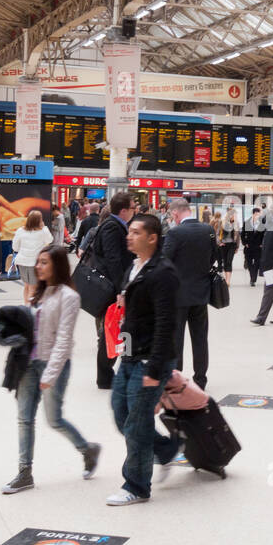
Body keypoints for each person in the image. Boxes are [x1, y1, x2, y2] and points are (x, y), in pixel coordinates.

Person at [3, 244, 99, 494]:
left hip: (52, 365)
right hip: (28, 364)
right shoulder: (39, 292)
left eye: (43, 262)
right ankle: (25, 472)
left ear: (57, 265)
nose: (37, 266)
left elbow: (64, 340)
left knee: (54, 419)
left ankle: (86, 449)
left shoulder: (69, 297)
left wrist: (50, 373)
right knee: (24, 419)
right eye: (38, 262)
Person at [106, 213, 180, 506]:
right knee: (121, 413)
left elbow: (166, 324)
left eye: (136, 232)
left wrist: (155, 368)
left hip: (151, 359)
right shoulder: (133, 268)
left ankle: (136, 485)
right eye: (130, 231)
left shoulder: (164, 273)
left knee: (136, 423)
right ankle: (165, 449)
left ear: (152, 238)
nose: (129, 235)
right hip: (129, 355)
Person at [163, 197, 215, 390]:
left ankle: (176, 377)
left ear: (175, 213)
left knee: (176, 338)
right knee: (200, 337)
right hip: (201, 293)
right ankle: (200, 379)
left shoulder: (175, 233)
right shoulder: (207, 230)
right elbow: (213, 258)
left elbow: (165, 260)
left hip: (178, 296)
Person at [87, 192, 136, 389]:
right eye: (133, 207)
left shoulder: (116, 226)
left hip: (116, 287)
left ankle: (116, 372)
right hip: (113, 289)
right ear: (123, 210)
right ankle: (105, 376)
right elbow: (113, 260)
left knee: (117, 330)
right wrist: (121, 289)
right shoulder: (111, 227)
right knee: (111, 331)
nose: (135, 210)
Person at [11, 209, 53, 304]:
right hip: (35, 263)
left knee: (26, 286)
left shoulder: (20, 230)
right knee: (33, 287)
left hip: (22, 262)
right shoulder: (43, 231)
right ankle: (30, 310)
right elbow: (50, 240)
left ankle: (27, 306)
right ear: (39, 220)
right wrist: (45, 227)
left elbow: (15, 247)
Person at [241, 206, 264, 287]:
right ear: (254, 214)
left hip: (258, 247)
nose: (259, 216)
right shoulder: (247, 222)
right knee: (250, 263)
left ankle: (253, 279)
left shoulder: (261, 224)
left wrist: (262, 244)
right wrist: (245, 243)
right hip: (249, 247)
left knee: (257, 263)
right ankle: (252, 278)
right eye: (257, 214)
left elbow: (264, 235)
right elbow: (243, 234)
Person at [219, 208, 240, 286]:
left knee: (229, 261)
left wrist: (237, 246)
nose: (234, 216)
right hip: (223, 245)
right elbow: (217, 234)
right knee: (225, 261)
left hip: (232, 245)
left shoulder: (236, 223)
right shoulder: (222, 222)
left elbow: (238, 236)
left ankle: (228, 281)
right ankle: (226, 279)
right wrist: (219, 243)